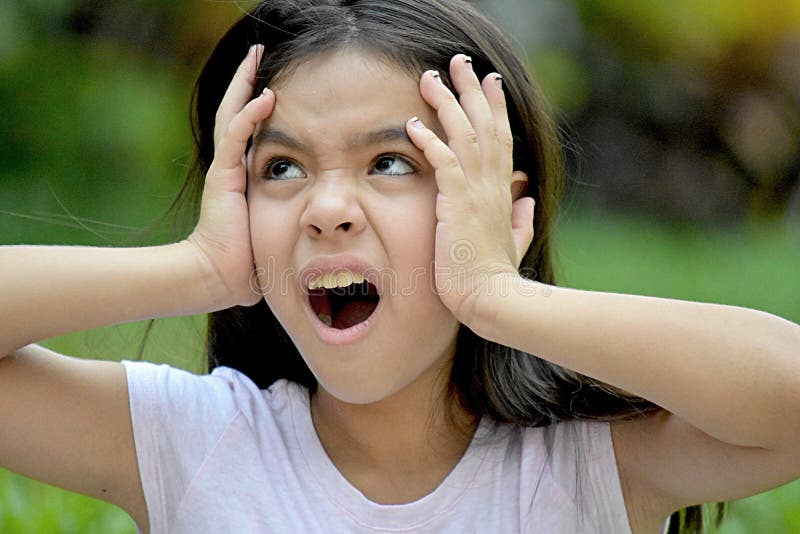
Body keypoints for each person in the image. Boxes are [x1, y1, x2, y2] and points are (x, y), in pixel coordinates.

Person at [1, 1, 798, 533]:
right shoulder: (198, 440)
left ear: (497, 207)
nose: (327, 207)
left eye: (389, 162)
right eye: (281, 169)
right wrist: (199, 269)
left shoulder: (585, 466)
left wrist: (499, 295)